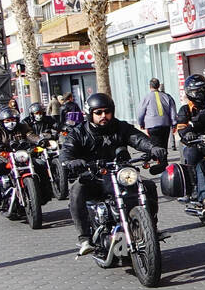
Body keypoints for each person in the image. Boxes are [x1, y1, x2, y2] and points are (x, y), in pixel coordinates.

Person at [60, 92, 166, 255]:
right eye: (98, 112)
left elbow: (137, 138)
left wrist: (152, 148)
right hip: (92, 177)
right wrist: (71, 161)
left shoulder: (120, 126)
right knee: (76, 191)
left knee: (148, 186)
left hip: (120, 174)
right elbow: (67, 151)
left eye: (107, 111)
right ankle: (84, 239)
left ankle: (151, 227)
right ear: (90, 113)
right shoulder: (79, 132)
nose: (104, 116)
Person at [0, 108, 33, 209]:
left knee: (40, 164)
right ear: (2, 122)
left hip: (22, 158)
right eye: (7, 121)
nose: (11, 123)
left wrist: (40, 140)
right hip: (4, 159)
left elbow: (30, 135)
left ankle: (45, 193)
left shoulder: (23, 126)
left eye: (13, 120)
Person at [174, 74, 205, 199]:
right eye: (198, 91)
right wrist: (188, 133)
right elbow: (181, 128)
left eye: (203, 89)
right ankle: (195, 186)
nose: (202, 93)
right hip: (197, 142)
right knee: (192, 154)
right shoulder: (186, 109)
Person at [136, 78, 176, 151]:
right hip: (165, 125)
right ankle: (163, 160)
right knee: (164, 146)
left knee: (155, 146)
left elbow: (140, 112)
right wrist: (174, 124)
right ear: (158, 86)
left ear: (150, 86)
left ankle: (158, 159)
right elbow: (172, 111)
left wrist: (141, 123)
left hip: (152, 126)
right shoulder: (167, 96)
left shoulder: (146, 97)